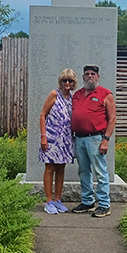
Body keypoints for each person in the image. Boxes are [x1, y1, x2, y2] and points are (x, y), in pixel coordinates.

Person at [71, 64, 116, 218]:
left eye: (93, 74)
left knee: (100, 172)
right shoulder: (77, 95)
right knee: (83, 171)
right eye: (87, 74)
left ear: (98, 76)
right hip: (79, 139)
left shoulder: (106, 94)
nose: (90, 76)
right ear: (83, 77)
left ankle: (104, 204)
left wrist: (106, 140)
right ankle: (87, 201)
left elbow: (112, 119)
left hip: (96, 138)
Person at [39, 68, 77, 214]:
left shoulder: (73, 98)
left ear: (74, 83)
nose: (67, 83)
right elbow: (43, 115)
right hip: (51, 137)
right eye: (64, 80)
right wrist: (43, 136)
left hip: (66, 139)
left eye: (70, 81)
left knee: (61, 168)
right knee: (50, 168)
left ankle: (58, 199)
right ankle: (48, 201)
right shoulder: (54, 94)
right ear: (60, 82)